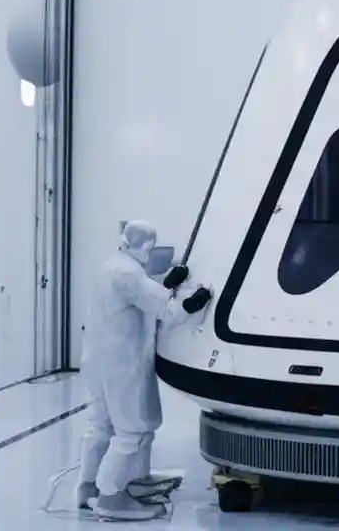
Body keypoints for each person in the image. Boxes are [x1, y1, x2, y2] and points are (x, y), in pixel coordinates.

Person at [75, 221, 212, 520]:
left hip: (97, 361)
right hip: (123, 365)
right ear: (148, 247)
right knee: (132, 432)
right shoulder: (129, 273)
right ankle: (111, 497)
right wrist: (194, 303)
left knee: (100, 426)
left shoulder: (111, 266)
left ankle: (91, 488)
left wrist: (167, 283)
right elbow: (165, 311)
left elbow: (143, 294)